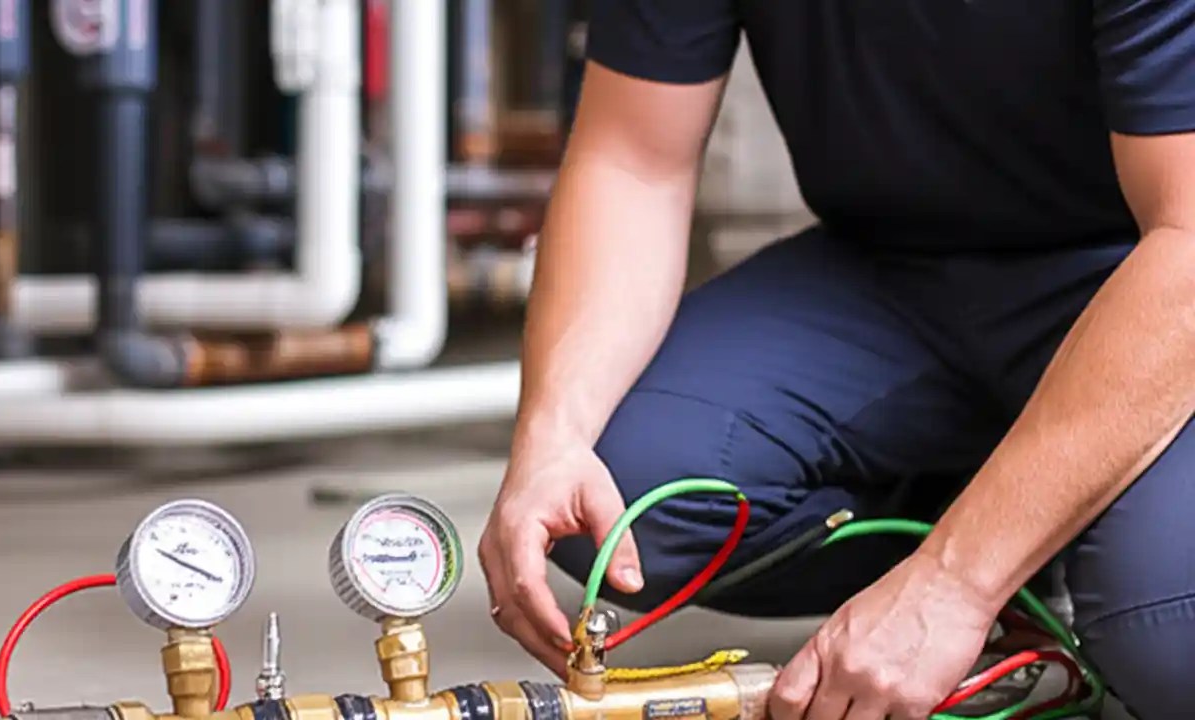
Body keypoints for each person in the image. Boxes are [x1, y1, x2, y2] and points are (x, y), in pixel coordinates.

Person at [477, 1, 1195, 718]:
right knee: (610, 502)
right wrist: (550, 437)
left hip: (1139, 273)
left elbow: (1187, 243)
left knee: (1170, 636)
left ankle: (1055, 535)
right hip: (885, 274)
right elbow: (632, 159)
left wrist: (954, 581)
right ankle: (1022, 529)